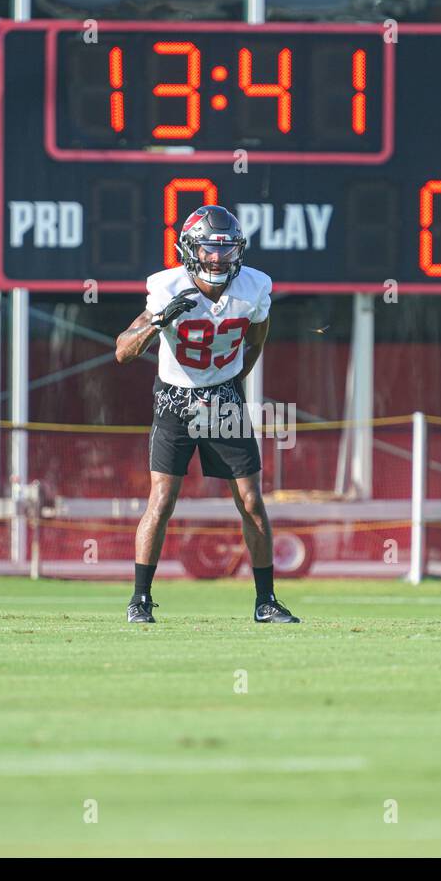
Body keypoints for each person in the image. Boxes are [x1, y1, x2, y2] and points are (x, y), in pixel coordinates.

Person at [115, 205, 300, 625]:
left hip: (225, 398)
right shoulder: (167, 286)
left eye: (225, 248)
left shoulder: (253, 286)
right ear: (189, 249)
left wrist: (229, 385)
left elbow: (256, 340)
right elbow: (123, 351)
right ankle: (140, 600)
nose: (217, 258)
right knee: (161, 500)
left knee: (251, 501)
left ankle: (266, 601)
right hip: (175, 399)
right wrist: (159, 320)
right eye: (209, 248)